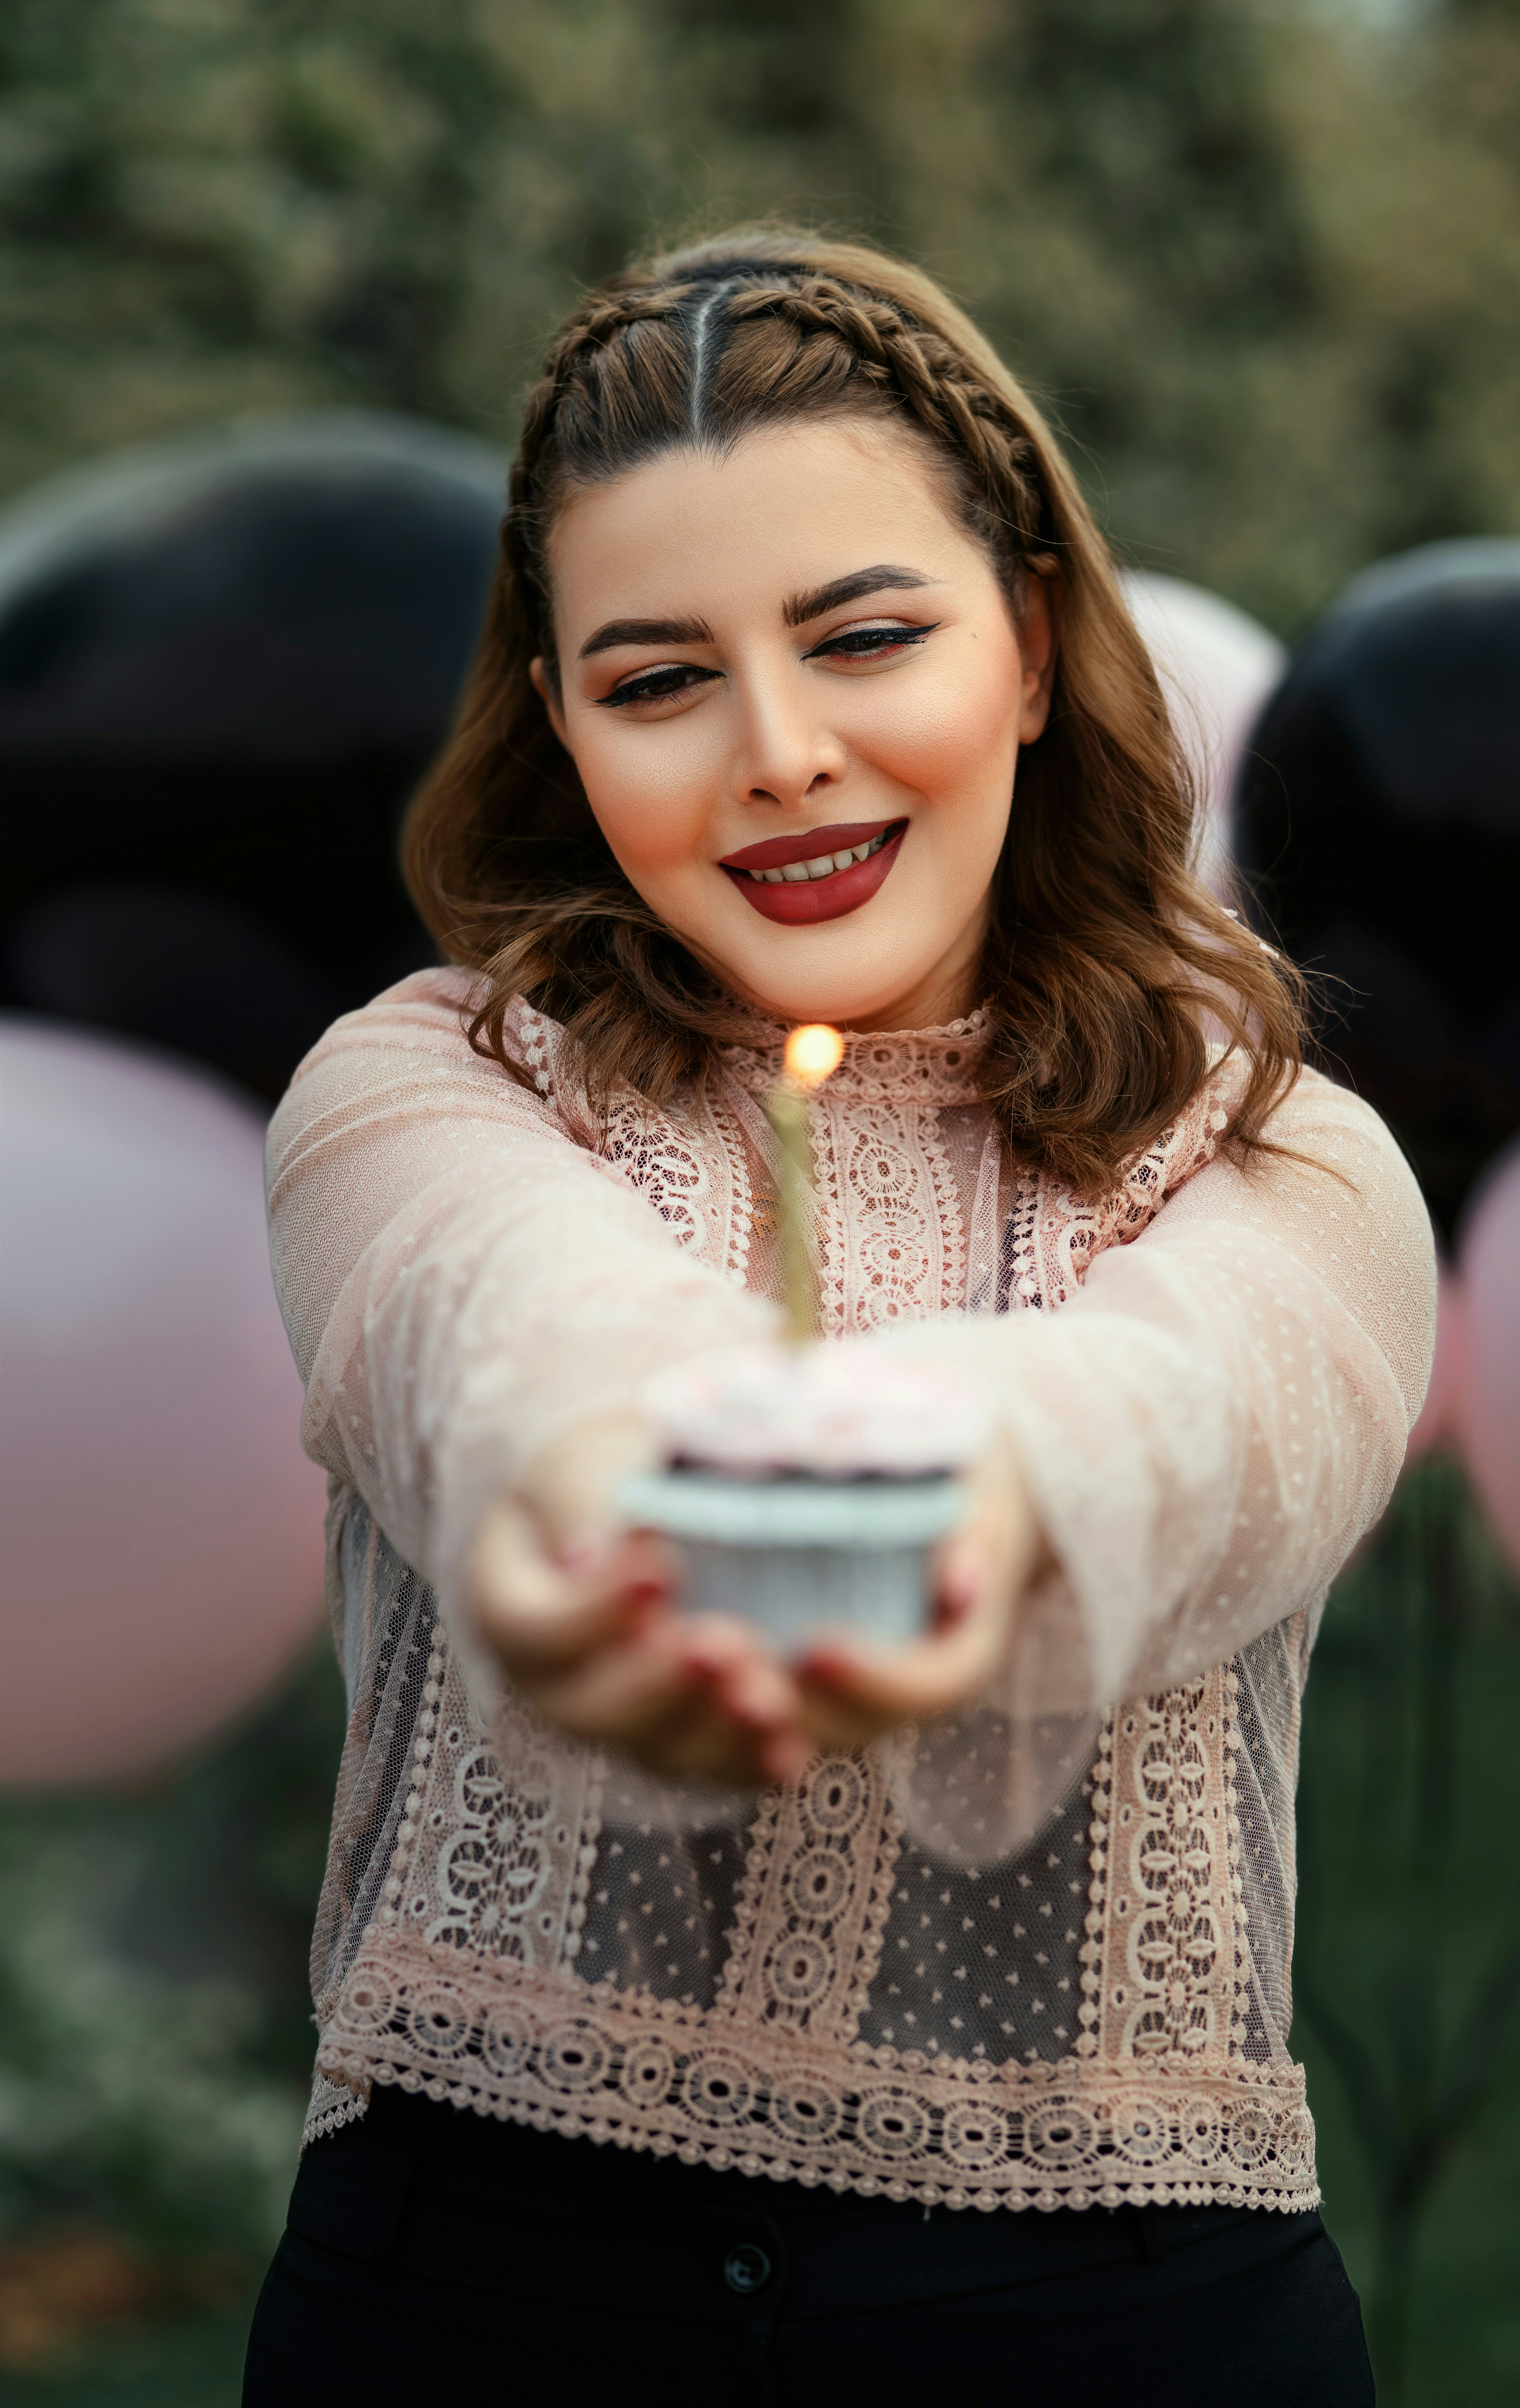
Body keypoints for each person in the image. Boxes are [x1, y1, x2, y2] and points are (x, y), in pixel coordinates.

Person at [245, 228, 1433, 2406]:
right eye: (657, 676)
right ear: (565, 725)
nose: (780, 754)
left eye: (864, 634)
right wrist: (616, 1511)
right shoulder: (421, 1081)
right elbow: (503, 1331)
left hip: (1112, 2334)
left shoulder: (1288, 1159)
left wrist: (920, 1516)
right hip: (484, 2298)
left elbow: (1166, 1426)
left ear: (1039, 647)